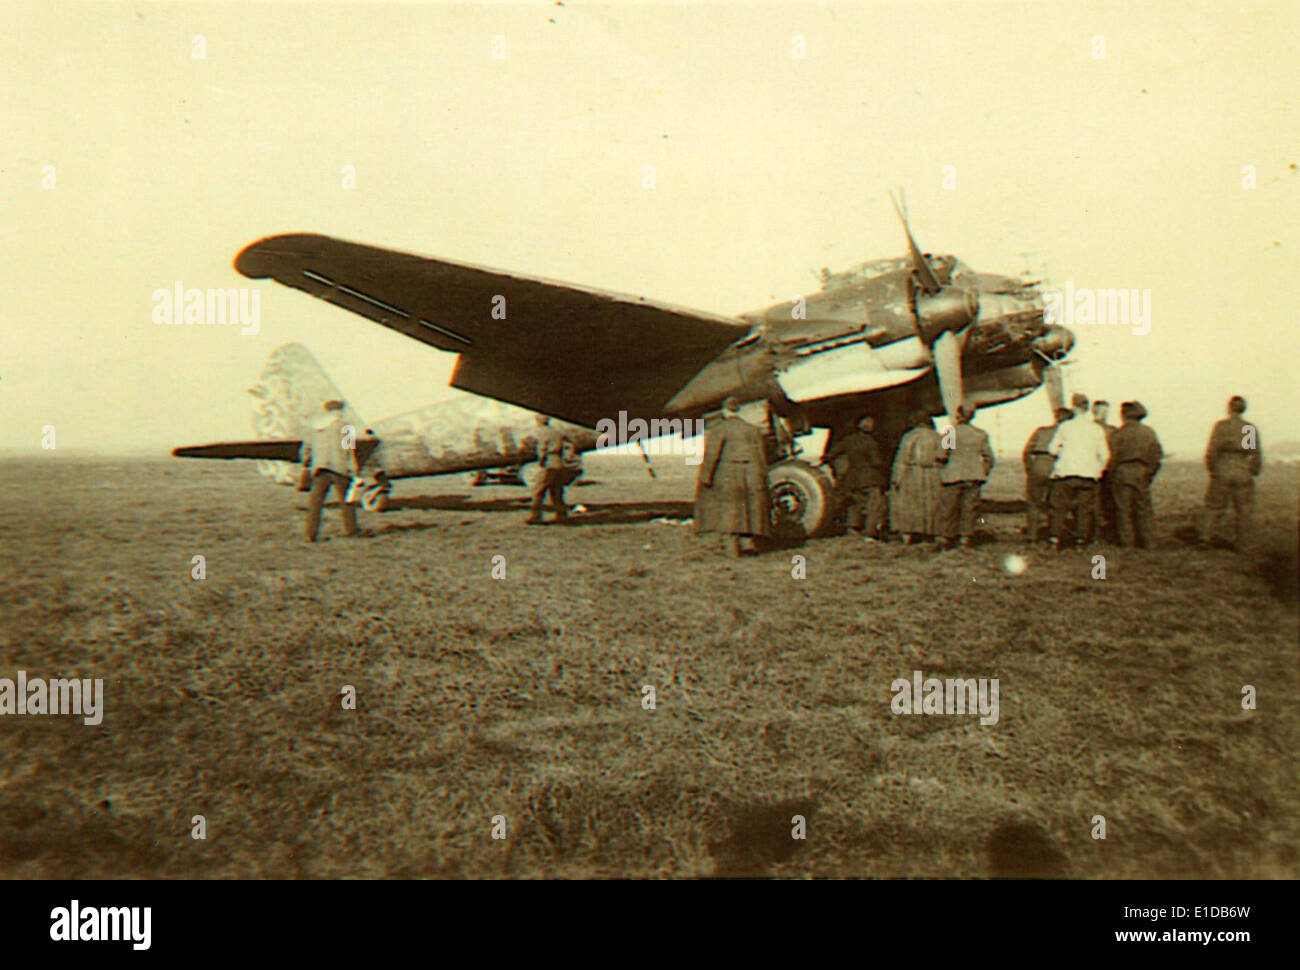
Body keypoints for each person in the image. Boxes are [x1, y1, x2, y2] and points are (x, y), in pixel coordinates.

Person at [695, 397, 770, 557]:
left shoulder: (720, 429)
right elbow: (761, 455)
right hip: (751, 472)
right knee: (748, 509)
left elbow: (712, 455)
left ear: (724, 410)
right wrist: (762, 475)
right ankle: (748, 544)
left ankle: (732, 550)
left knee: (729, 510)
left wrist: (705, 476)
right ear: (738, 410)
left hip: (728, 472)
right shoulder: (753, 429)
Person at [1047, 393, 1110, 549]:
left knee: (1059, 508)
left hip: (1065, 473)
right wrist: (1098, 471)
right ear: (1087, 408)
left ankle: (1055, 539)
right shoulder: (1096, 429)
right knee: (1084, 509)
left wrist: (1062, 453)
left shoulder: (1065, 427)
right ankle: (1080, 541)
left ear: (1074, 407)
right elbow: (1105, 455)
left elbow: (1052, 449)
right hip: (1088, 475)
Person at [1200, 396, 1262, 550]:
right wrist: (1251, 471)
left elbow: (1212, 451)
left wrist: (1213, 469)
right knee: (1244, 509)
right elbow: (1255, 454)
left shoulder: (1221, 426)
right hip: (1242, 468)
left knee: (1214, 507)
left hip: (1223, 467)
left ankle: (1205, 539)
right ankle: (1243, 543)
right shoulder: (1248, 428)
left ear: (1229, 408)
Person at [301, 399, 360, 542]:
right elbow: (349, 451)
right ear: (339, 411)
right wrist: (354, 468)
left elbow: (305, 450)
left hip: (320, 468)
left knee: (316, 502)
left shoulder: (315, 428)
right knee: (347, 500)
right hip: (339, 468)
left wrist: (309, 464)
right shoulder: (346, 427)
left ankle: (311, 534)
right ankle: (351, 530)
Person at [937, 403, 995, 548]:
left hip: (953, 475)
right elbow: (990, 458)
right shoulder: (980, 434)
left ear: (958, 415)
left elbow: (941, 454)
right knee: (969, 509)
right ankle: (965, 539)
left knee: (948, 509)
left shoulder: (950, 432)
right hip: (974, 476)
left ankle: (946, 538)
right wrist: (982, 471)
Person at [1107, 401, 1163, 548]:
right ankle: (1149, 542)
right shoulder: (1148, 432)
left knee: (1123, 509)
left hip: (1122, 472)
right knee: (1144, 508)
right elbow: (1157, 455)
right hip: (1141, 471)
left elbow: (1112, 457)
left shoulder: (1118, 434)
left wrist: (1110, 475)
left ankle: (1127, 542)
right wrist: (1149, 472)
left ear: (1123, 416)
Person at [824, 414, 889, 540]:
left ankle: (852, 529)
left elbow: (830, 455)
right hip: (870, 477)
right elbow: (876, 461)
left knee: (855, 504)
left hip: (853, 476)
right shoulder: (871, 442)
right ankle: (870, 532)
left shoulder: (848, 440)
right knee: (874, 504)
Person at [889, 410, 946, 544]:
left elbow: (902, 459)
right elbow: (943, 456)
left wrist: (897, 478)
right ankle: (929, 534)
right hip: (933, 474)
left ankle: (907, 536)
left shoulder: (909, 437)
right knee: (930, 504)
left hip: (912, 473)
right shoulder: (938, 437)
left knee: (910, 505)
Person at [1022, 408, 1069, 541]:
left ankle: (1032, 535)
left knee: (1033, 503)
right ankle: (1053, 536)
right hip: (1056, 466)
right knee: (1056, 503)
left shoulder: (1042, 431)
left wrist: (1030, 468)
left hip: (1039, 465)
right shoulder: (1067, 434)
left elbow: (1026, 452)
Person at [526, 414, 575, 525]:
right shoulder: (556, 432)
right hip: (558, 463)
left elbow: (542, 450)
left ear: (538, 421)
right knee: (557, 493)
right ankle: (562, 516)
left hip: (548, 464)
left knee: (538, 491)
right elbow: (568, 444)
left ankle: (536, 517)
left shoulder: (542, 433)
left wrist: (540, 463)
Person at [1093, 400, 1119, 542]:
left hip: (1106, 470)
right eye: (1101, 411)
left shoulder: (1112, 430)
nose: (1103, 414)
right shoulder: (1092, 428)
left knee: (1106, 500)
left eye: (1105, 411)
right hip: (1097, 468)